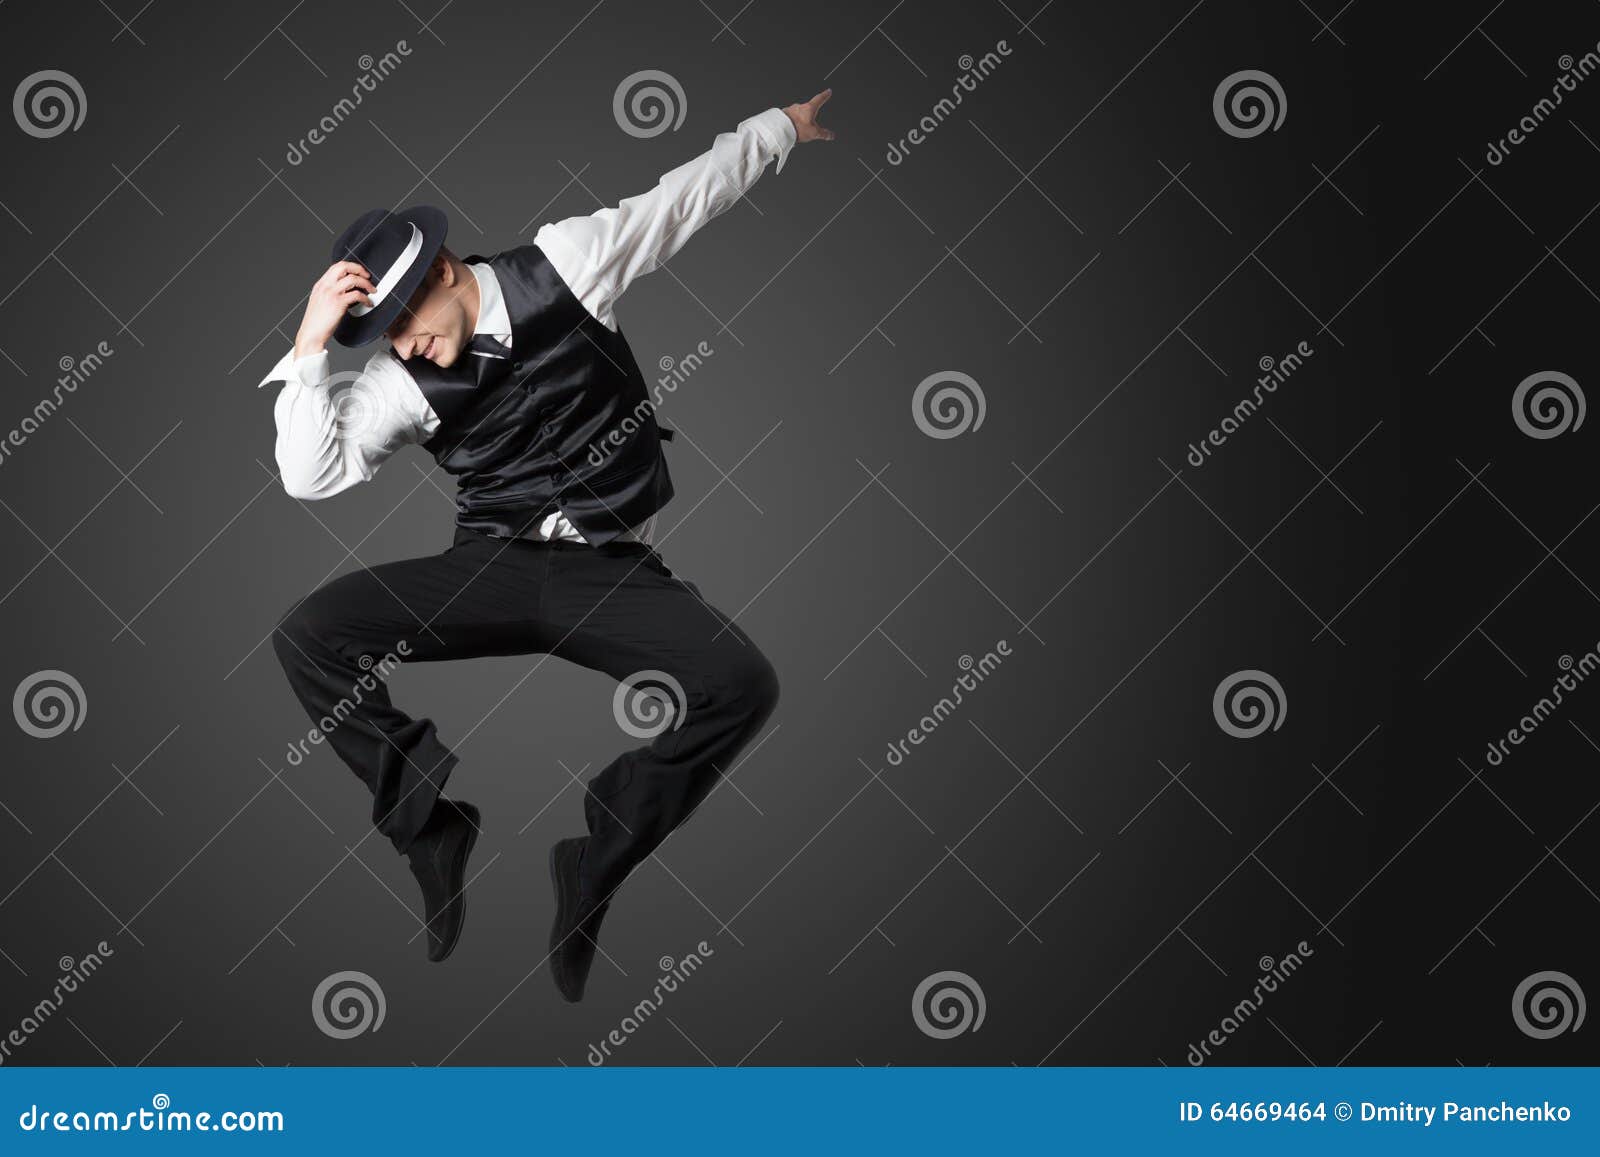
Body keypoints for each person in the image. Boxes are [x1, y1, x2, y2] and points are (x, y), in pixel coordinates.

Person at [262, 91, 835, 1001]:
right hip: (495, 568)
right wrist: (311, 344)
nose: (408, 345)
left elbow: (680, 201)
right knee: (306, 633)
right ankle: (431, 825)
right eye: (387, 336)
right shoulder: (395, 382)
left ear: (448, 271)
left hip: (606, 571)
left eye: (410, 321)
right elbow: (310, 475)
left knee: (744, 685)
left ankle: (596, 856)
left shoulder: (567, 264)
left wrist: (778, 132)